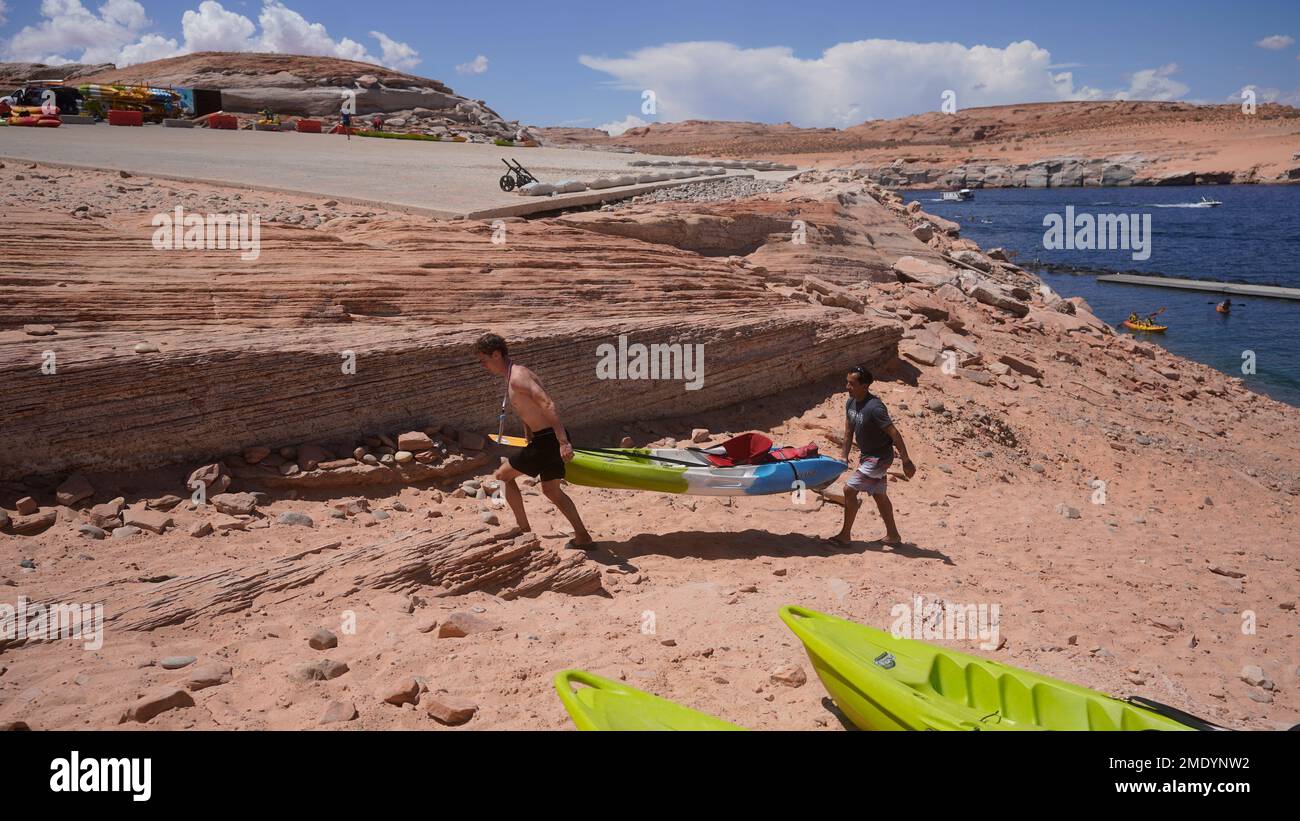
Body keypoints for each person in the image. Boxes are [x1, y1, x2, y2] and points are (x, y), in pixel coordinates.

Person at [474, 333, 594, 549]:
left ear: (496, 354)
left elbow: (547, 404)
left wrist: (563, 442)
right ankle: (583, 536)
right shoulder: (515, 374)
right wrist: (529, 432)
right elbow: (530, 409)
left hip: (549, 440)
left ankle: (523, 529)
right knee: (551, 490)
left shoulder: (518, 377)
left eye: (484, 360)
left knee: (502, 476)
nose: (483, 365)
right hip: (544, 438)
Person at [830, 366, 915, 547]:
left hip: (879, 457)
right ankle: (893, 536)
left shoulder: (875, 407)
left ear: (865, 385)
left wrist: (906, 460)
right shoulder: (850, 403)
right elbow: (848, 431)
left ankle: (845, 536)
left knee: (849, 490)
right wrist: (843, 457)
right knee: (879, 495)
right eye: (847, 382)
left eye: (852, 384)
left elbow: (894, 433)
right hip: (867, 456)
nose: (847, 386)